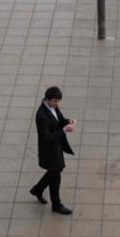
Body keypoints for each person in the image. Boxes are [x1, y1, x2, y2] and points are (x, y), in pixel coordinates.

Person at [30, 86, 76, 215]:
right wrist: (64, 130)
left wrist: (67, 122)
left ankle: (37, 189)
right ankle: (56, 204)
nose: (57, 104)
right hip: (49, 151)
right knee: (55, 176)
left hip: (56, 147)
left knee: (56, 170)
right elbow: (47, 138)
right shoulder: (42, 116)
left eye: (58, 101)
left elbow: (59, 120)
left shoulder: (52, 107)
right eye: (55, 101)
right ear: (47, 99)